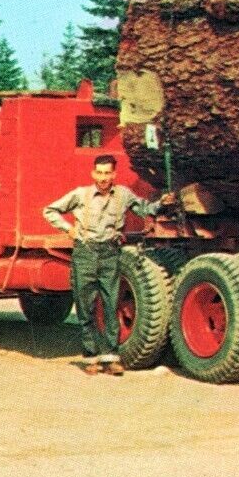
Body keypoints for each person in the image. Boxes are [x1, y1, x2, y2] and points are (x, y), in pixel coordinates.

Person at [43, 154, 171, 374]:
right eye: (99, 173)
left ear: (114, 174)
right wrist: (69, 229)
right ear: (93, 173)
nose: (103, 178)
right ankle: (91, 357)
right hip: (85, 253)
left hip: (110, 253)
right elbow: (49, 210)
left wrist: (162, 204)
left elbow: (145, 209)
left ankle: (111, 358)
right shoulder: (81, 195)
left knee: (111, 304)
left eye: (107, 173)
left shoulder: (123, 195)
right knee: (86, 306)